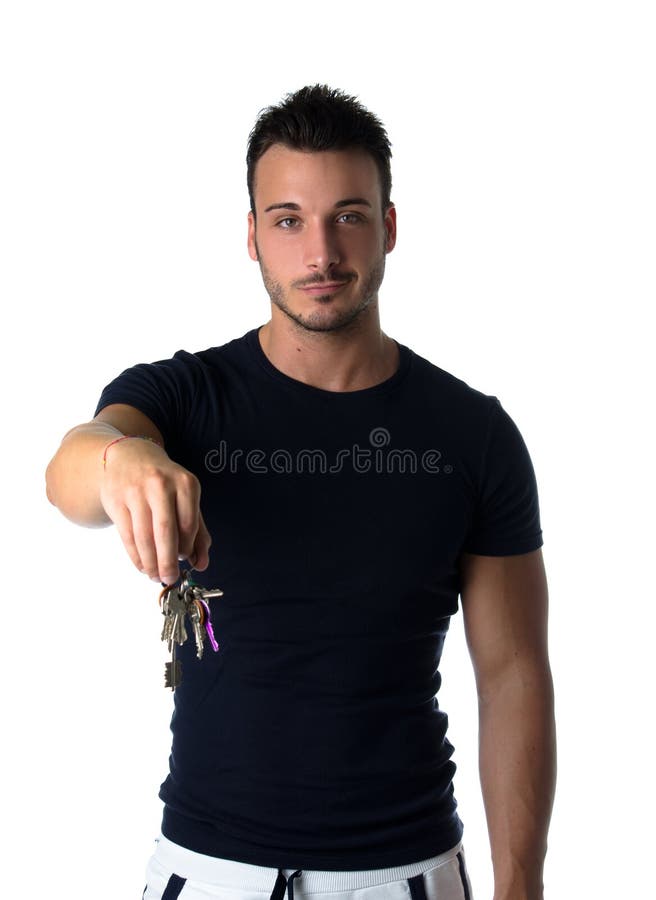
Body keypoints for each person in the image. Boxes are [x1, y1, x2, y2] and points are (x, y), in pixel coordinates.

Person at [45, 84, 556, 900]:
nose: (319, 251)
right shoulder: (182, 398)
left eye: (348, 215)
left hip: (404, 872)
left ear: (389, 226)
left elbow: (512, 674)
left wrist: (520, 885)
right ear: (252, 236)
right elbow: (70, 473)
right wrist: (119, 463)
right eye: (288, 220)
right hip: (208, 869)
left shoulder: (473, 434)